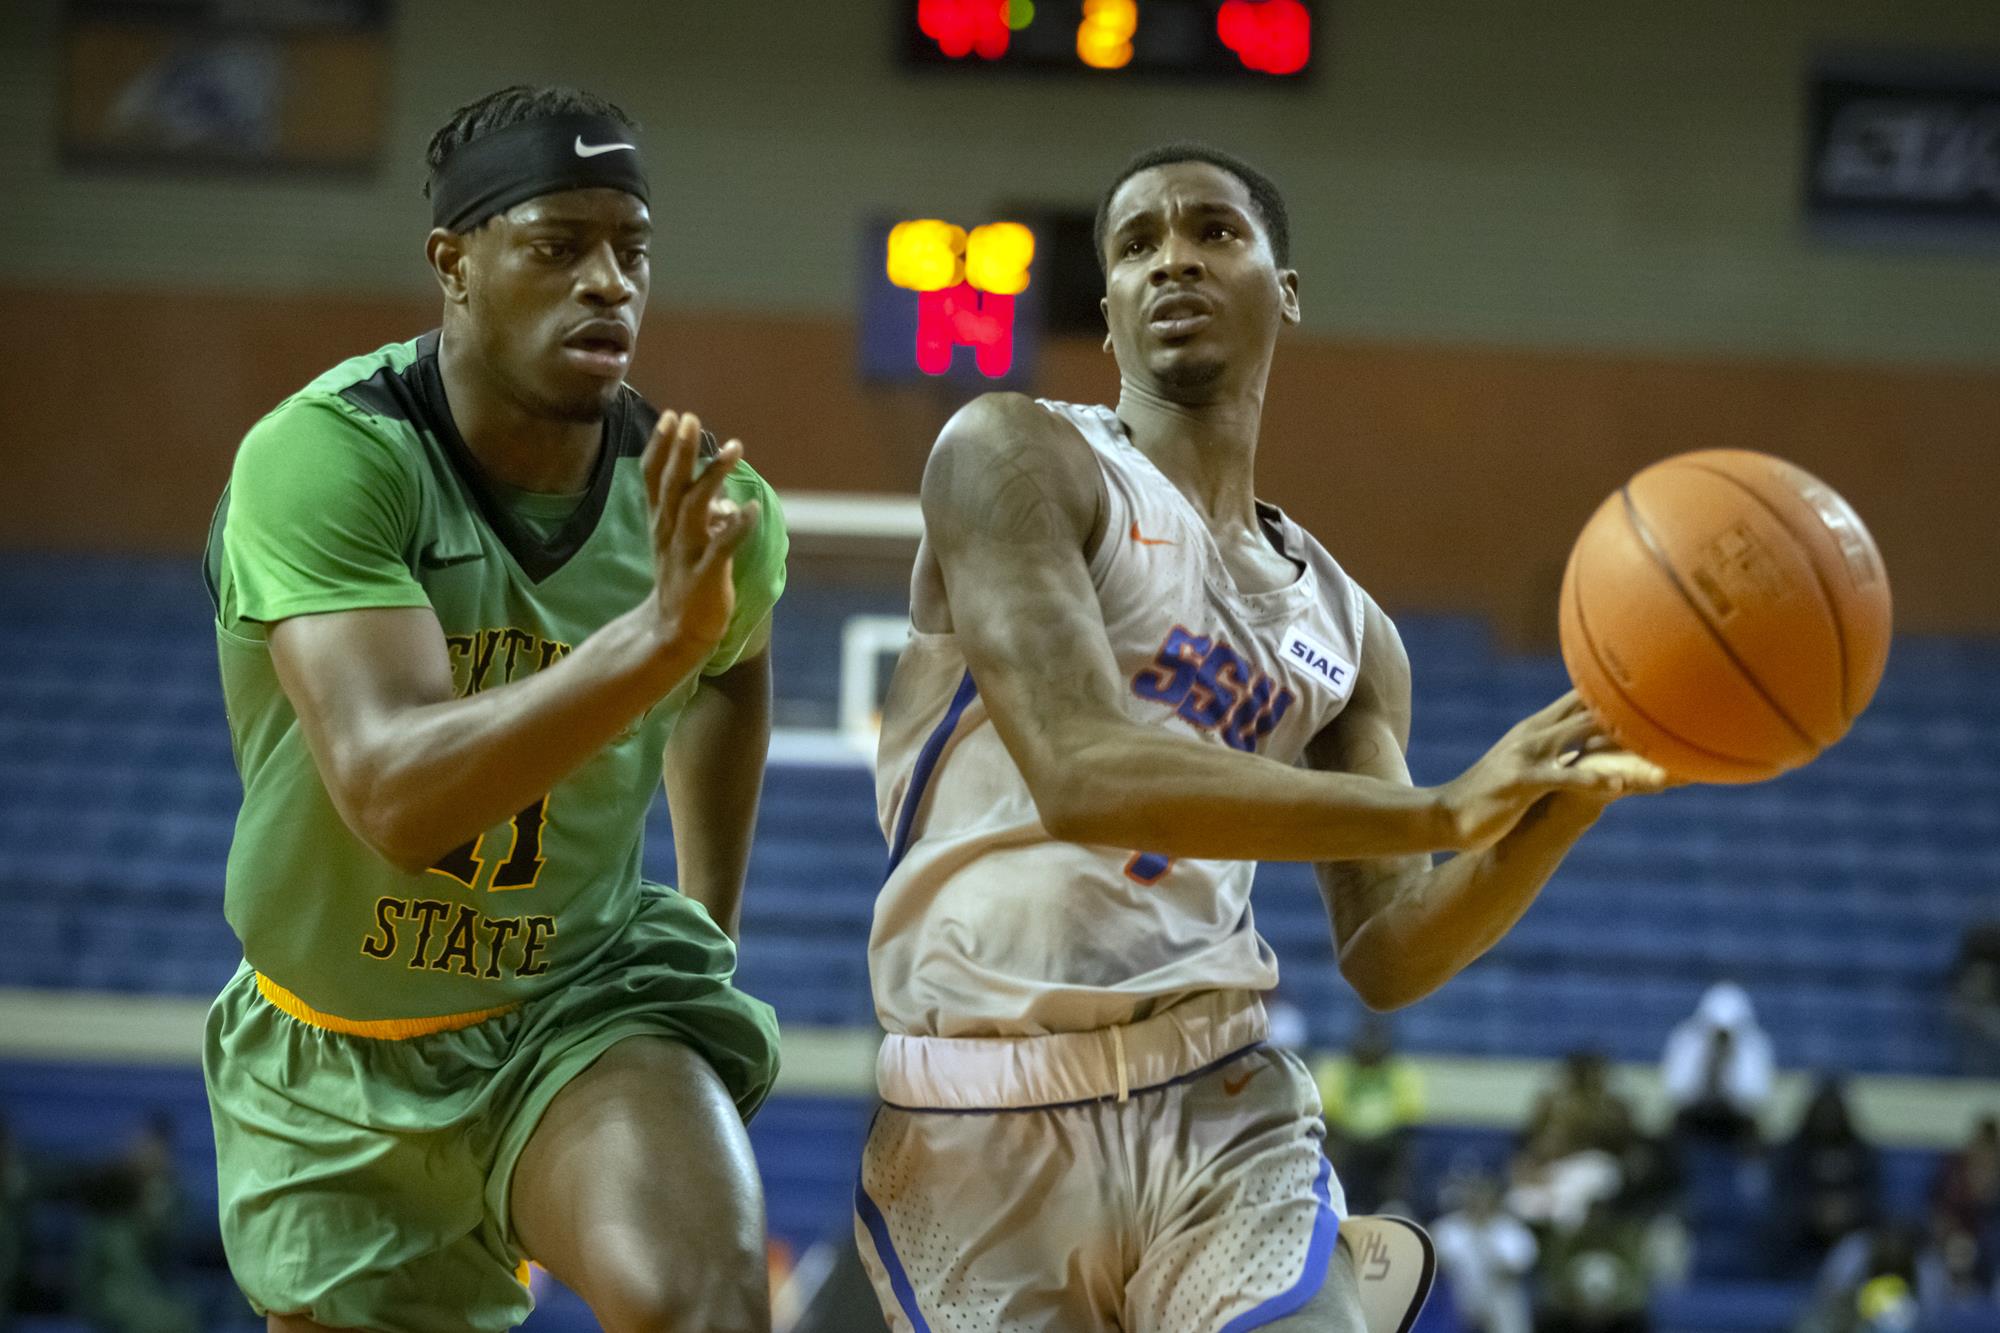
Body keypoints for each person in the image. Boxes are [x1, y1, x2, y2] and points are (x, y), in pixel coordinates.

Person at [855, 141, 1668, 1333]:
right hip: (978, 1107)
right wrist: (1446, 810)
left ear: (1284, 286)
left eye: (1212, 233)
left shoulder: (1346, 628)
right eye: (1135, 245)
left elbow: (1390, 951)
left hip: (1214, 1086)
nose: (1171, 259)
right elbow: (1080, 772)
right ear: (1109, 303)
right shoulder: (1015, 452)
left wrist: (1549, 817)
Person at [200, 85, 789, 1333]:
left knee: (707, 1301)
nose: (607, 284)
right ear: (452, 264)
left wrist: (704, 910)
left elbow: (730, 666)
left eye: (630, 251)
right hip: (332, 1043)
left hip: (572, 1007)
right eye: (556, 246)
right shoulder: (329, 457)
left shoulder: (698, 504)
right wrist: (648, 643)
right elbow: (395, 793)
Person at [1315, 1019, 1425, 1215]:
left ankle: (1393, 1207)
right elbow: (1329, 1116)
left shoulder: (1402, 1072)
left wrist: (1373, 1137)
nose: (1371, 1044)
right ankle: (1332, 1199)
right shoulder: (1337, 1070)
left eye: (1376, 1038)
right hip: (1346, 1140)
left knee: (1403, 1149)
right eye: (1366, 1037)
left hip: (1386, 1143)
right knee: (1329, 1141)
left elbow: (1407, 1120)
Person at [1778, 1078, 1880, 1272]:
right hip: (1803, 1225)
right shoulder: (1793, 1150)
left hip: (1852, 1223)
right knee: (1777, 1226)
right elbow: (1784, 1192)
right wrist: (1815, 1209)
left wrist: (1847, 1209)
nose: (1828, 1115)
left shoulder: (1863, 1151)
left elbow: (1872, 1195)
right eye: (1823, 1109)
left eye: (1834, 1109)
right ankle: (1777, 1286)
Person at [1660, 981, 1773, 1147]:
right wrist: (1707, 1064)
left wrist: (1729, 1069)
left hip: (1737, 1125)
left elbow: (1755, 1097)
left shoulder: (1755, 1044)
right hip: (1694, 1118)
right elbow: (1676, 1091)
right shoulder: (1685, 1039)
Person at [1432, 1174, 1537, 1333]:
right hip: (1457, 1298)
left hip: (1498, 1298)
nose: (1479, 1202)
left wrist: (1484, 1239)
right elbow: (1434, 1265)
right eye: (1475, 1197)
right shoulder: (1447, 1228)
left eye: (1484, 1197)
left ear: (1495, 1200)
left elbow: (1514, 1269)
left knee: (1507, 1298)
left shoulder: (1511, 1230)